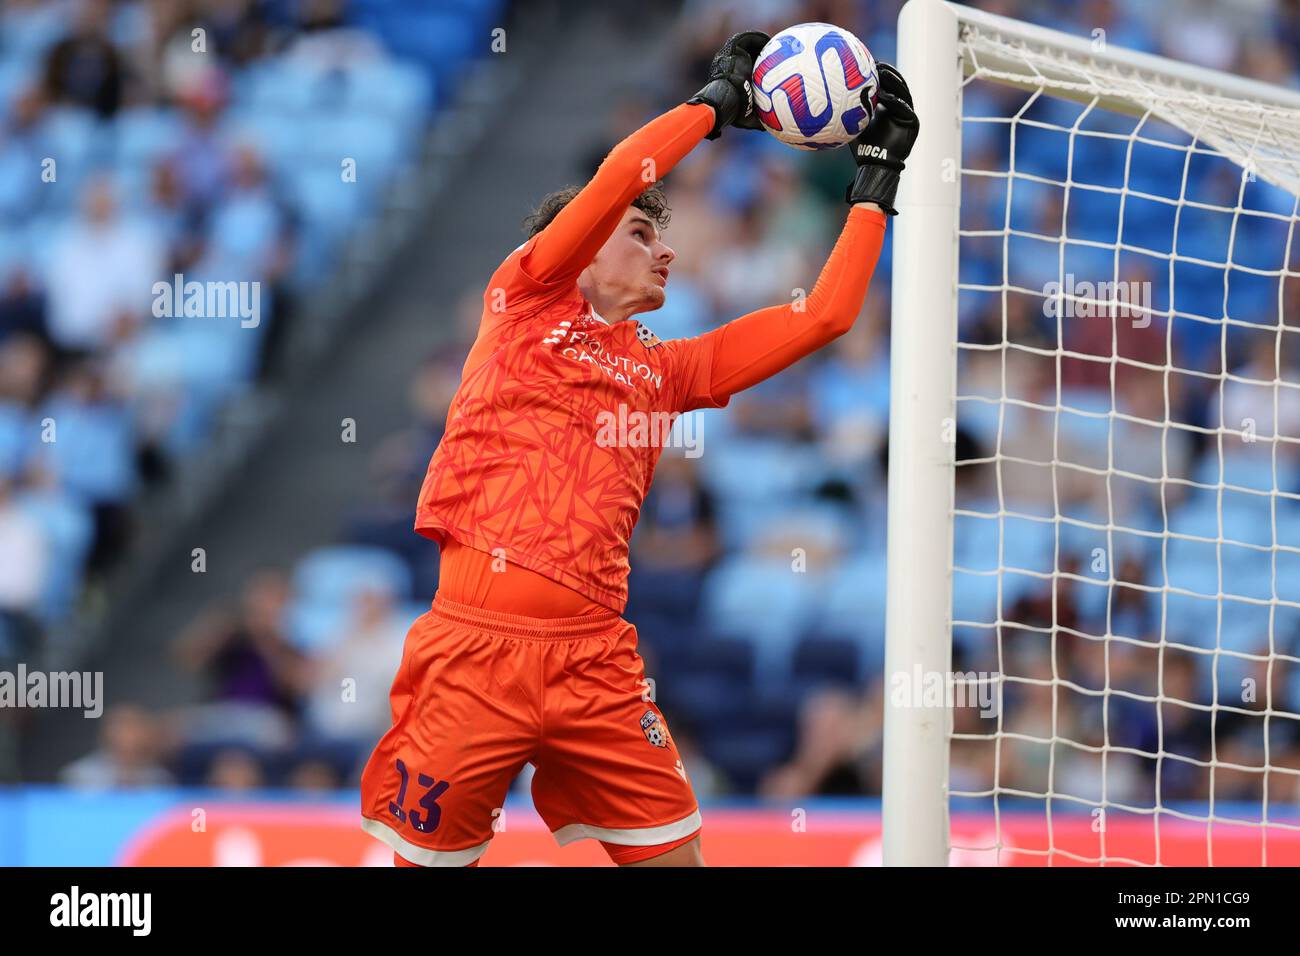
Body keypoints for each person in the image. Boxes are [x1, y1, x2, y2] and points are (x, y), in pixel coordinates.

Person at [359, 32, 919, 867]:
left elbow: (823, 318)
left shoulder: (664, 370)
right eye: (637, 232)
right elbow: (624, 170)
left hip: (596, 662)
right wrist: (714, 105)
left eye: (663, 236)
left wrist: (875, 187)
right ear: (579, 246)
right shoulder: (525, 301)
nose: (663, 247)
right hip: (475, 647)